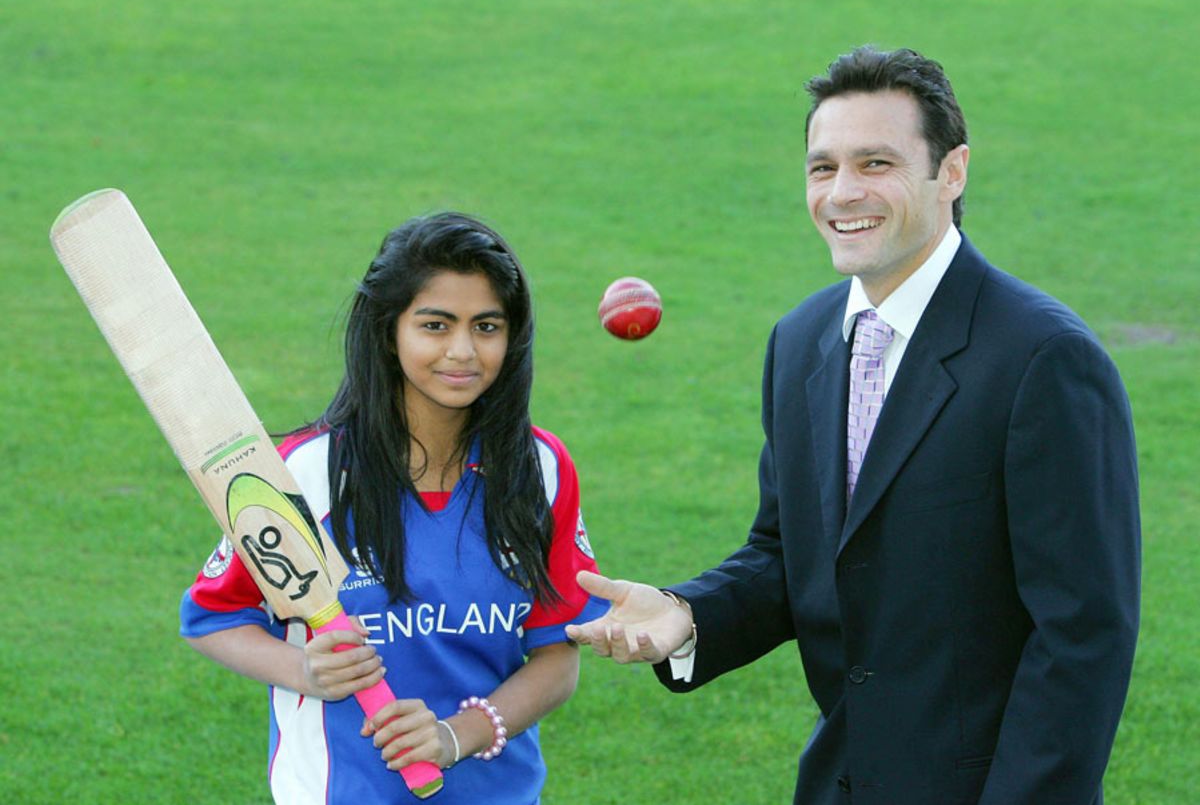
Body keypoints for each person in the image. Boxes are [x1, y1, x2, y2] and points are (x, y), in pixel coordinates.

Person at [566, 46, 1140, 804]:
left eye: (876, 163)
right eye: (822, 166)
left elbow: (1081, 636)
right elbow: (789, 553)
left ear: (953, 171)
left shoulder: (1045, 360)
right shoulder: (801, 340)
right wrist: (686, 613)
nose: (842, 192)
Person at [181, 213, 608, 804]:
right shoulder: (303, 473)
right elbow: (213, 618)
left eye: (487, 326)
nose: (462, 351)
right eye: (435, 325)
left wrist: (454, 737)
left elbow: (557, 655)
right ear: (390, 330)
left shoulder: (539, 468)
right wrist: (307, 672)